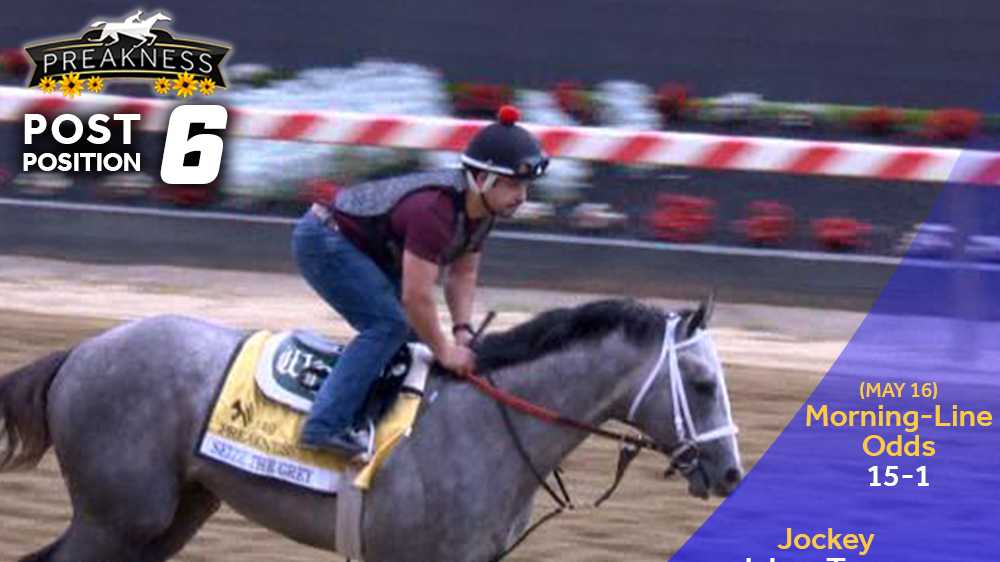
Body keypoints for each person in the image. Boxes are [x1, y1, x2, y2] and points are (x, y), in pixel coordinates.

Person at [292, 105, 549, 458]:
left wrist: (462, 331)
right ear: (481, 180)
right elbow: (416, 297)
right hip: (324, 240)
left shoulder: (484, 211)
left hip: (362, 246)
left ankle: (378, 417)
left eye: (525, 187)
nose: (522, 197)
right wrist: (445, 350)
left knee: (415, 337)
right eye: (513, 185)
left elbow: (463, 273)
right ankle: (324, 425)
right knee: (388, 325)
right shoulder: (435, 212)